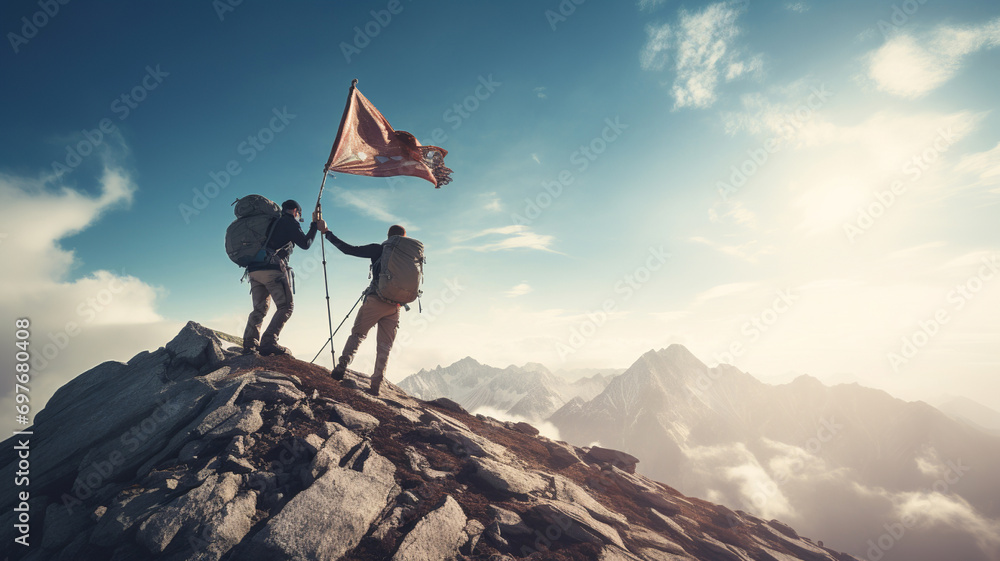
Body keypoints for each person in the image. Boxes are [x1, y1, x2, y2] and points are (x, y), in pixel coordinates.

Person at [321, 224, 407, 396]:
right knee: (384, 347)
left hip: (376, 300)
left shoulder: (378, 249)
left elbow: (348, 250)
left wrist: (327, 233)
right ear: (403, 238)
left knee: (358, 334)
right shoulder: (407, 255)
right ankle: (376, 385)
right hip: (395, 306)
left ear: (388, 236)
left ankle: (342, 366)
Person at [243, 199, 325, 356]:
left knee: (259, 309)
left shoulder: (270, 223)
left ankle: (249, 343)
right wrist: (314, 226)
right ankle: (268, 341)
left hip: (254, 269)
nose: (298, 218)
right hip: (273, 269)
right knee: (286, 306)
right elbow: (305, 244)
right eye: (299, 215)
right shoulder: (289, 222)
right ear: (295, 211)